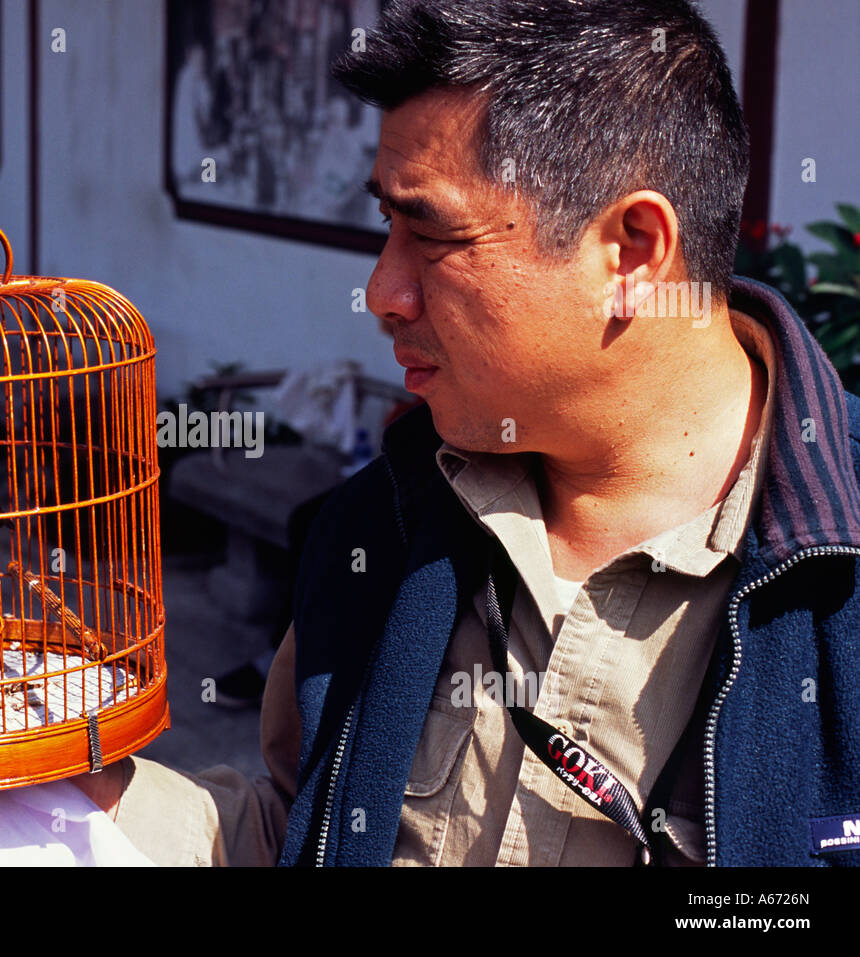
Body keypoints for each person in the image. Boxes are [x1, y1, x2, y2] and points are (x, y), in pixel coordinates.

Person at [73, 0, 860, 866]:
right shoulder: (382, 526)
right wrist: (61, 809)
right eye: (387, 227)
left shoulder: (835, 582)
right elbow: (309, 825)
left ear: (633, 251)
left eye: (433, 233)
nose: (382, 292)